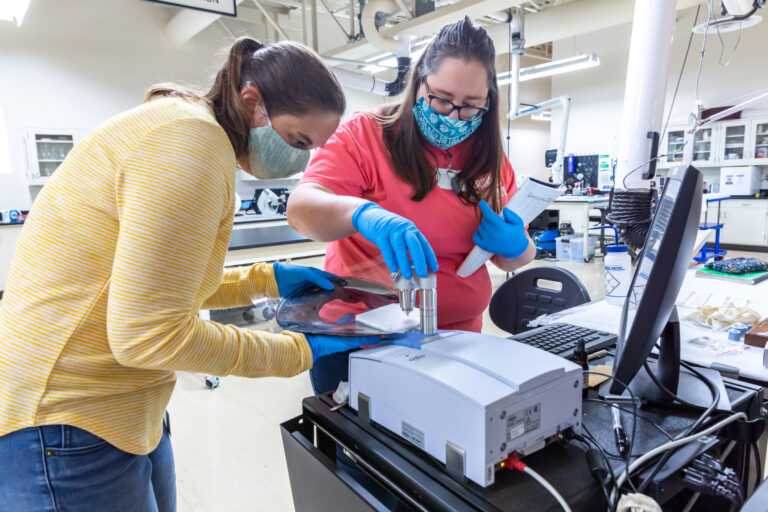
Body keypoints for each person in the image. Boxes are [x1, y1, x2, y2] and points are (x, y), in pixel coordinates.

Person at [0, 37, 371, 511]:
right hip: (66, 419)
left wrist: (270, 278)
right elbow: (148, 334)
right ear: (252, 102)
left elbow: (168, 283)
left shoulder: (184, 128)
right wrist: (297, 350)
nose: (299, 161)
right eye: (298, 141)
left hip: (120, 407)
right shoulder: (190, 144)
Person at [287, 17, 536, 394]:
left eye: (470, 106)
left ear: (489, 101)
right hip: (362, 340)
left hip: (457, 342)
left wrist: (518, 246)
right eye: (441, 99)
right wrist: (362, 214)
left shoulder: (488, 158)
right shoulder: (365, 136)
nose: (453, 116)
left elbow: (512, 259)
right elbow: (302, 208)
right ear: (419, 81)